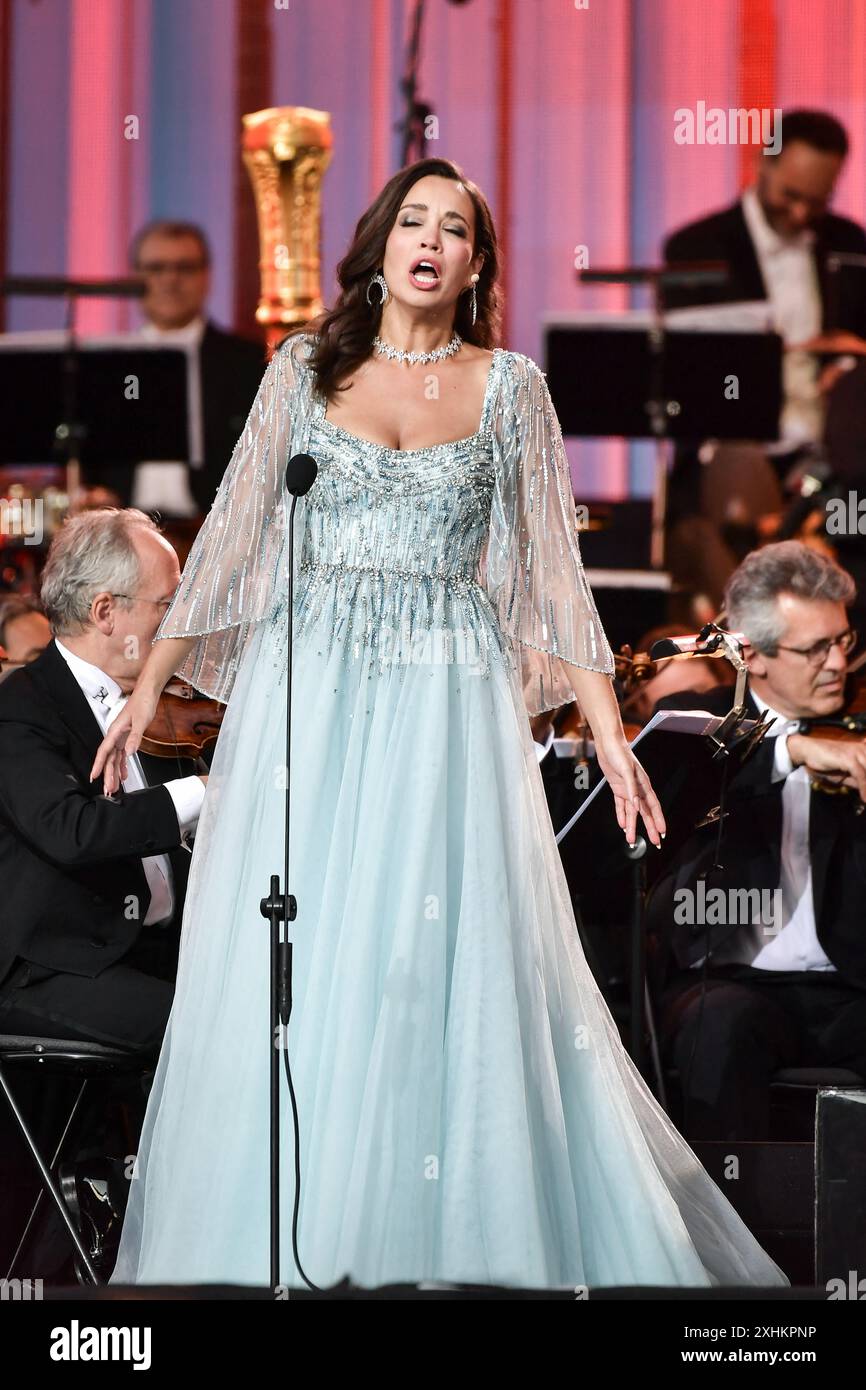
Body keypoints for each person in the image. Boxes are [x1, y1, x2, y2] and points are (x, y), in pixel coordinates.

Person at [92, 158, 787, 1290]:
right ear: (377, 247)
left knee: (428, 950)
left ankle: (439, 1233)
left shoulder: (511, 388)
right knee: (311, 948)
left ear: (475, 264)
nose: (429, 239)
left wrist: (612, 739)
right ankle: (279, 1238)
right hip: (307, 692)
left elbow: (556, 588)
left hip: (445, 701)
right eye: (411, 220)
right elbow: (222, 552)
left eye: (452, 228)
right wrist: (140, 694)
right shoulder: (302, 371)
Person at [651, 541, 866, 1141]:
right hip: (728, 983)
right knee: (718, 1029)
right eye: (816, 648)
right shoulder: (695, 721)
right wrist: (792, 749)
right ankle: (726, 1224)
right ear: (754, 655)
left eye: (843, 641)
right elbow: (698, 776)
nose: (838, 664)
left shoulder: (858, 731)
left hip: (846, 984)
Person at [0, 508, 207, 1050]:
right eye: (167, 604)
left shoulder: (164, 705)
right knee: (209, 1033)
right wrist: (205, 791)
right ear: (105, 612)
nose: (179, 622)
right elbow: (72, 830)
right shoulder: (22, 706)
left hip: (159, 948)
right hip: (54, 967)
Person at [89, 221, 266, 517]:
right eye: (156, 268)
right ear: (136, 277)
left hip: (214, 532)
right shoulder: (110, 363)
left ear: (206, 276)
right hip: (124, 530)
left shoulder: (248, 363)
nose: (170, 280)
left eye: (184, 268)